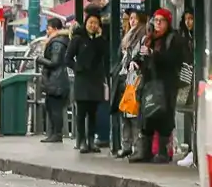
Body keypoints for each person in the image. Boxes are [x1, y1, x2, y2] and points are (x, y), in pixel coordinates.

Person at [131, 9, 177, 163]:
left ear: (167, 23)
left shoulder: (172, 39)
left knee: (163, 116)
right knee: (146, 116)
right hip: (149, 82)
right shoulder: (148, 38)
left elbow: (173, 60)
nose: (157, 24)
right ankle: (145, 151)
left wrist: (153, 54)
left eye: (161, 21)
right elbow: (141, 56)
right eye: (156, 20)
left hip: (165, 84)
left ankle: (163, 152)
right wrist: (136, 61)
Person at [68, 12, 111, 153]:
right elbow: (67, 58)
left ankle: (91, 140)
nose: (93, 26)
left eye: (96, 23)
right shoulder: (78, 39)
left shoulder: (100, 40)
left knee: (93, 112)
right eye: (90, 23)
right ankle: (81, 141)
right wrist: (77, 68)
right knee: (81, 112)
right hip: (82, 80)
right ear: (86, 23)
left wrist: (99, 38)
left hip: (95, 80)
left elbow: (105, 54)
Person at [115, 9, 145, 157]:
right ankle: (125, 144)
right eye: (130, 18)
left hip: (135, 78)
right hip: (125, 77)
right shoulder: (127, 36)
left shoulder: (142, 36)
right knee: (124, 112)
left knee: (133, 113)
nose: (132, 21)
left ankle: (136, 146)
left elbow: (140, 56)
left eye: (135, 18)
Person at [37, 17, 71, 143]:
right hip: (56, 80)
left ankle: (57, 134)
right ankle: (54, 133)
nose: (47, 31)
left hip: (56, 81)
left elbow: (54, 62)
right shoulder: (59, 41)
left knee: (54, 108)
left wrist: (40, 59)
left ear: (55, 29)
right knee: (51, 107)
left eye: (49, 29)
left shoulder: (57, 43)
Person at [173, 9, 199, 164]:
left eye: (192, 19)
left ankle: (194, 150)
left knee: (195, 115)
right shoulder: (182, 38)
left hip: (195, 79)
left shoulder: (198, 37)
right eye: (186, 19)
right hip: (186, 79)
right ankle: (190, 148)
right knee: (188, 113)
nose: (189, 22)